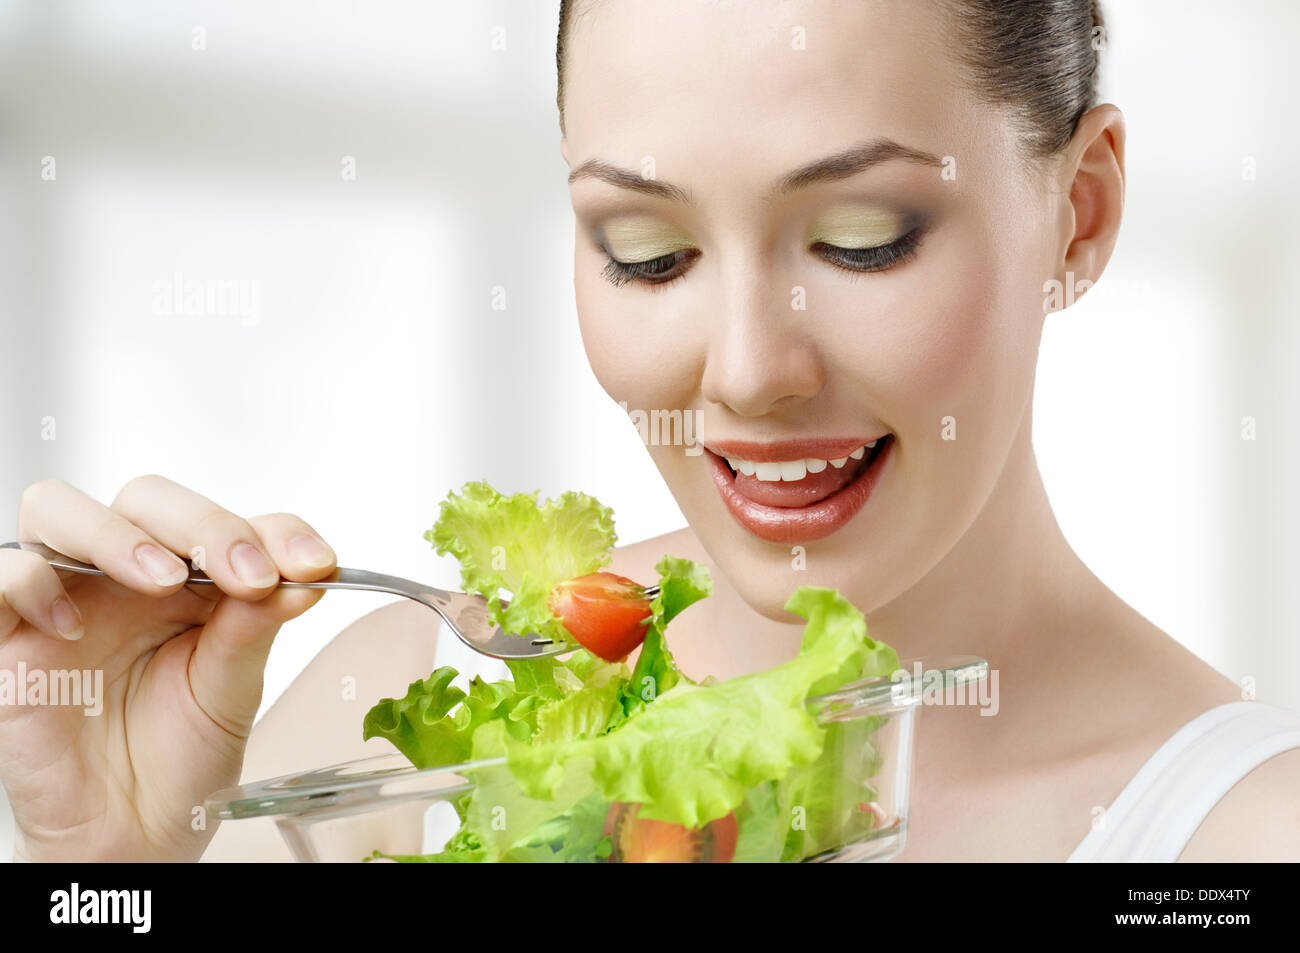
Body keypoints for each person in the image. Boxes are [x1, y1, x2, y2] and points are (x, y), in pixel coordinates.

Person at [3, 0, 1298, 863]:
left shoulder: (1239, 839)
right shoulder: (384, 720)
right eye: (649, 250)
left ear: (1078, 212)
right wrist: (109, 871)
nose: (746, 372)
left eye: (863, 239)